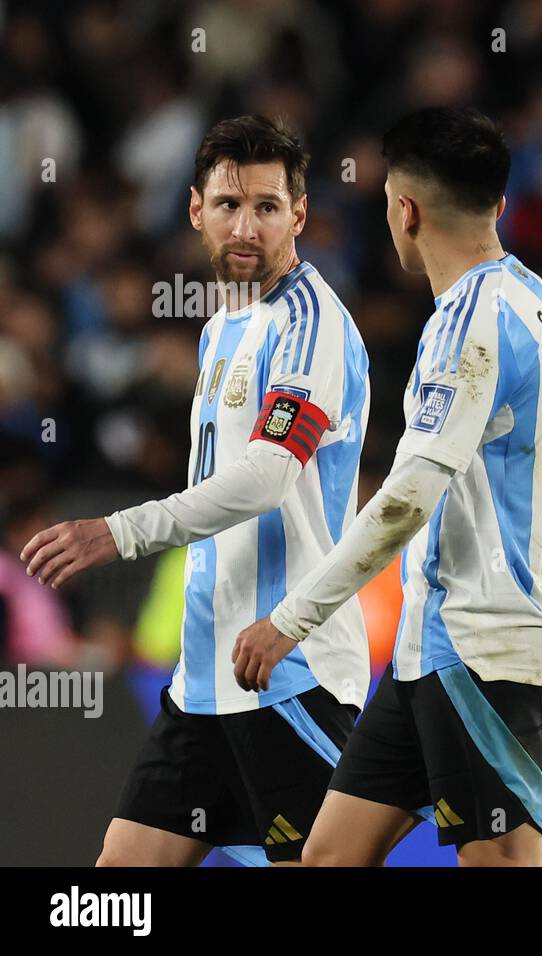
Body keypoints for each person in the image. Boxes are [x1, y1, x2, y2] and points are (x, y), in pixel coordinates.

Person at [232, 106, 542, 867]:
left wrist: (293, 619)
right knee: (325, 859)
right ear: (501, 204)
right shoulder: (538, 306)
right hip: (429, 653)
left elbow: (406, 497)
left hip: (481, 649)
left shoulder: (471, 324)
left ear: (406, 209)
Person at [21, 115, 371, 866]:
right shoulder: (221, 329)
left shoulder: (313, 327)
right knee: (116, 885)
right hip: (204, 683)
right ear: (194, 211)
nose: (246, 227)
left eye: (268, 207)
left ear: (300, 215)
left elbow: (270, 475)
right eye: (228, 205)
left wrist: (118, 531)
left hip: (290, 673)